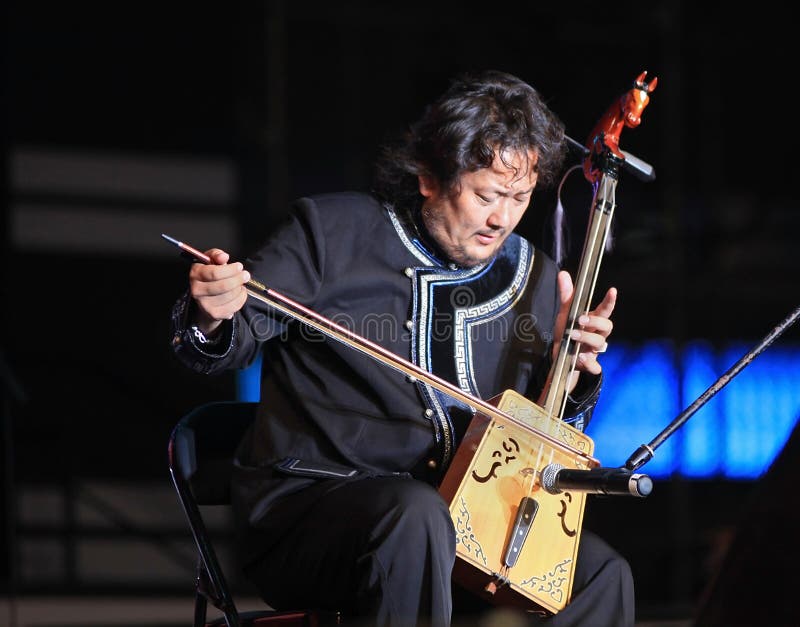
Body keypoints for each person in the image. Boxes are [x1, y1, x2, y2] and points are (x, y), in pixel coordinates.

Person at [169, 69, 634, 627]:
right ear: (430, 178)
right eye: (486, 195)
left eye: (519, 197)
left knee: (602, 574)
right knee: (415, 516)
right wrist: (211, 314)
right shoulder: (331, 233)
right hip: (310, 516)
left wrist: (572, 369)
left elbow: (534, 434)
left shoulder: (534, 275)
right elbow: (225, 340)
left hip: (465, 528)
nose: (501, 219)